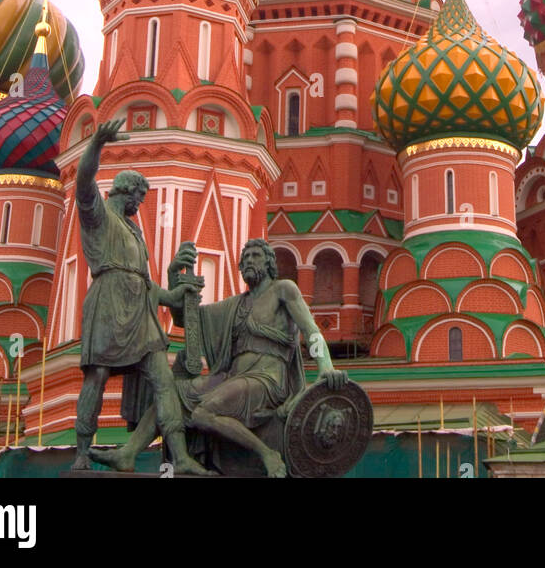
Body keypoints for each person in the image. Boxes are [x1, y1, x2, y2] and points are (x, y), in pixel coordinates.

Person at [92, 237, 348, 477]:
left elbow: (310, 329)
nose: (248, 260)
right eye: (245, 257)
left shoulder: (283, 290)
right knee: (170, 392)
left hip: (267, 380)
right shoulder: (235, 305)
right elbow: (187, 319)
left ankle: (267, 454)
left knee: (203, 414)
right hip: (233, 377)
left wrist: (326, 367)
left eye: (256, 255)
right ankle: (128, 454)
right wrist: (174, 277)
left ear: (269, 263)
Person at [71, 117, 209, 474]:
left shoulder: (135, 233)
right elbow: (83, 183)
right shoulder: (98, 216)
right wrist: (97, 144)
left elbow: (146, 286)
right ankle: (82, 453)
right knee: (97, 375)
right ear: (125, 192)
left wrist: (175, 292)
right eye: (139, 197)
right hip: (108, 301)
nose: (140, 204)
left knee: (164, 381)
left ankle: (180, 458)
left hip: (139, 311)